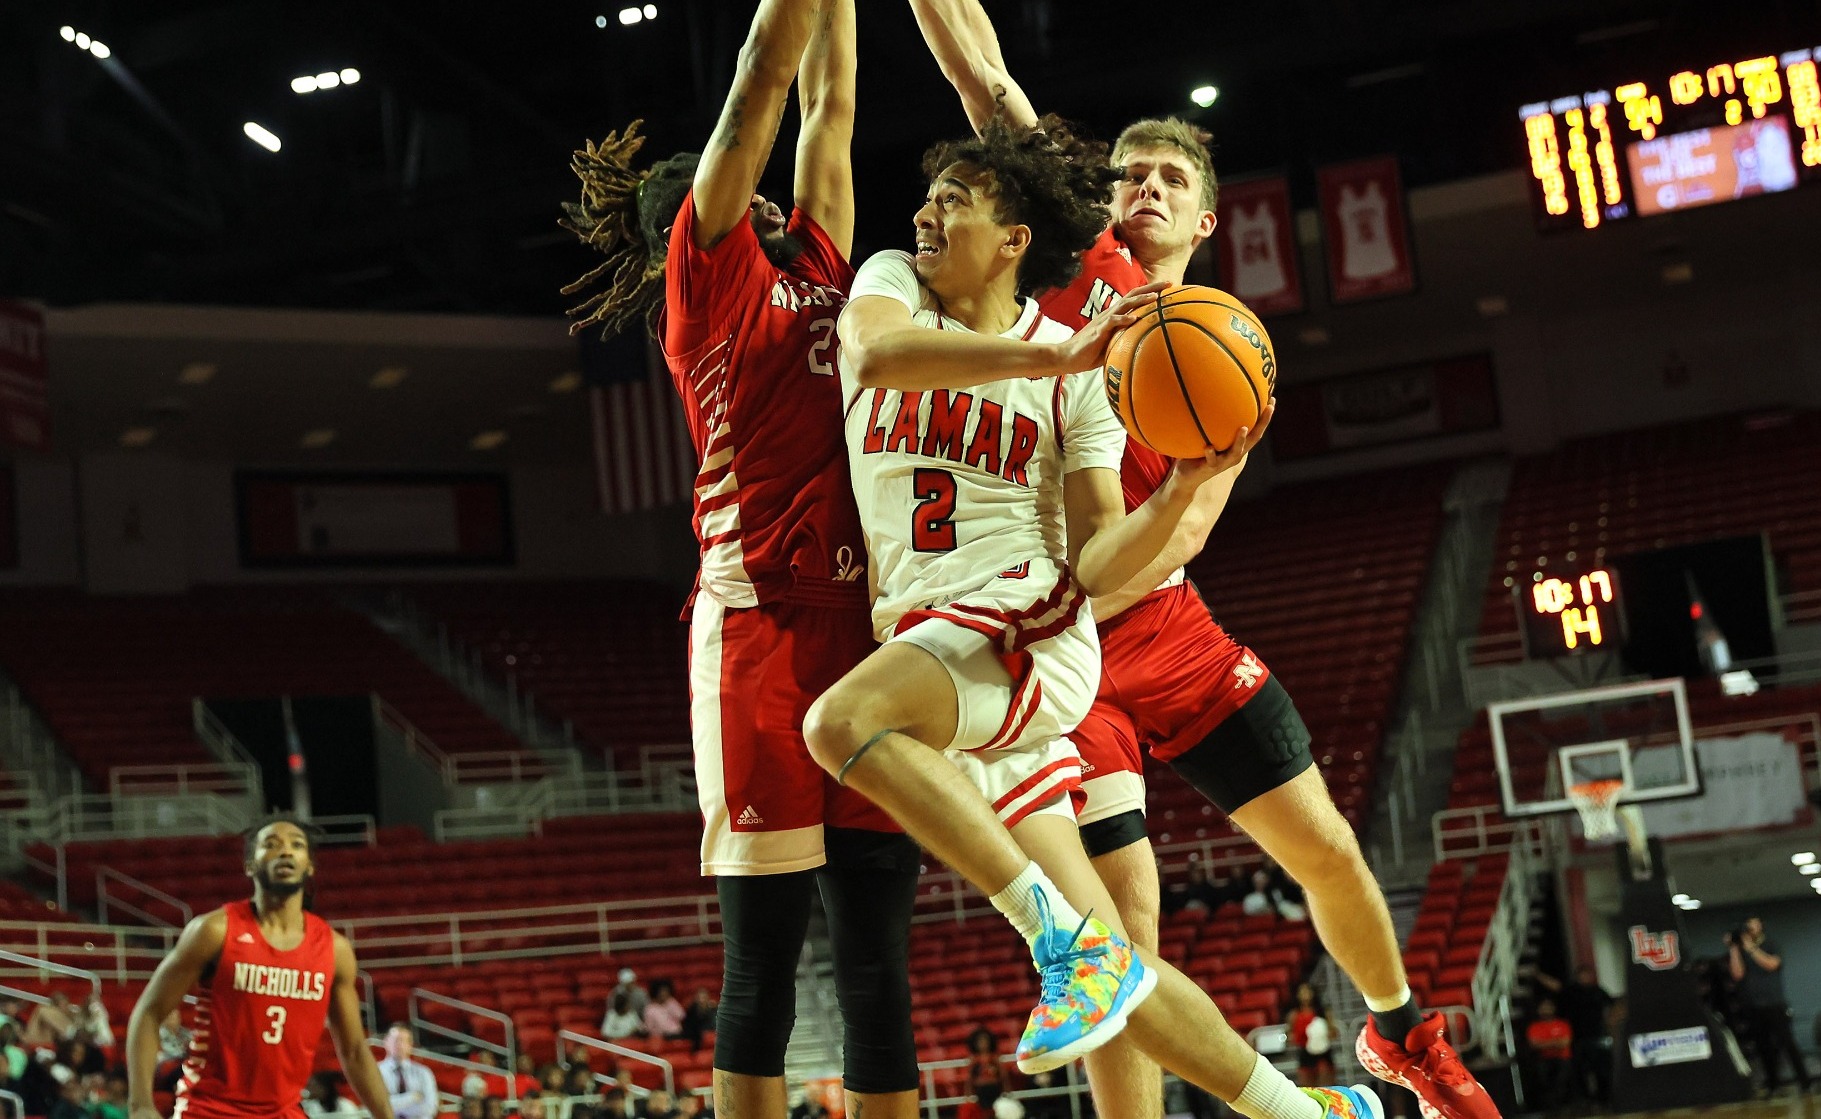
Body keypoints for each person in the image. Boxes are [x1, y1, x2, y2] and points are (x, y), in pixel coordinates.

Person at [905, 6, 1500, 1118]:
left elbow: (1181, 533)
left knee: (1321, 841)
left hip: (1155, 619)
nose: (1143, 189)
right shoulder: (1080, 259)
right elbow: (981, 74)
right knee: (1123, 929)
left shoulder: (1225, 344)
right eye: (1129, 173)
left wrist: (1089, 586)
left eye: (1169, 179)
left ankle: (1401, 1031)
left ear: (1207, 216)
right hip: (1054, 639)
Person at [802, 109, 1372, 1119]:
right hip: (944, 651)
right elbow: (877, 358)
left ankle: (1054, 944)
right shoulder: (895, 285)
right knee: (1120, 949)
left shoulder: (1080, 373)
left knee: (840, 724)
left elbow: (1104, 549)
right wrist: (1050, 368)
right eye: (927, 200)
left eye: (955, 204)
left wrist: (1178, 490)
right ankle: (1307, 1113)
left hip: (1023, 628)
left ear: (1014, 239)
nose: (926, 216)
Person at [559, 3, 920, 1117]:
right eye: (738, 186)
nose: (764, 192)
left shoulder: (813, 261)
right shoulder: (708, 286)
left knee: (880, 967)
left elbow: (830, 103)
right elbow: (766, 72)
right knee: (761, 971)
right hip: (758, 634)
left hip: (863, 636)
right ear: (697, 221)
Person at [125, 818, 397, 1119]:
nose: (285, 852)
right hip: (209, 1110)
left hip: (285, 1111)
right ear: (249, 865)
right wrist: (140, 1105)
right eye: (271, 844)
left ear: (309, 867)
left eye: (297, 845)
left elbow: (355, 1051)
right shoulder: (213, 930)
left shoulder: (335, 950)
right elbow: (149, 1012)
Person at [1727, 917, 1812, 1093]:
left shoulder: (1771, 944)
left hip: (1774, 1003)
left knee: (1787, 1043)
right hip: (1753, 1005)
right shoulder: (1741, 950)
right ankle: (1773, 1084)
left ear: (1760, 926)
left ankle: (1805, 1082)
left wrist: (1751, 948)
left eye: (1753, 924)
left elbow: (1772, 964)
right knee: (1763, 1046)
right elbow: (1737, 974)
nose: (1749, 928)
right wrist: (1734, 948)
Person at [1534, 966, 1612, 1103]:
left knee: (1602, 1070)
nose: (1585, 978)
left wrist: (1612, 1024)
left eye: (1587, 975)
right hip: (1579, 1039)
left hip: (1597, 1037)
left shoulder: (1598, 991)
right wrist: (1538, 975)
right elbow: (1556, 986)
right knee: (1581, 1072)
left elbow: (1613, 1005)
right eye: (1582, 975)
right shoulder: (1572, 991)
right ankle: (1586, 1100)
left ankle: (1604, 1098)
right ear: (1577, 976)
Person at [377, 1024, 438, 1119]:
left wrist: (393, 1104)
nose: (399, 1044)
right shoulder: (376, 1071)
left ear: (410, 1045)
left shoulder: (423, 1072)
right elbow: (379, 1105)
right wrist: (412, 1097)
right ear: (386, 1042)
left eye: (403, 1041)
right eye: (395, 1040)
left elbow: (430, 1107)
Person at [1522, 1000, 1573, 1112]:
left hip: (1562, 1058)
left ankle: (1561, 1106)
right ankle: (1548, 1107)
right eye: (1543, 1007)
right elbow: (1534, 1044)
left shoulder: (1562, 1024)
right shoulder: (1534, 1027)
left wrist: (1545, 1043)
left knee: (1562, 1076)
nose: (1546, 1010)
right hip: (1543, 1059)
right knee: (1541, 1075)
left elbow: (1565, 1043)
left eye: (1548, 1007)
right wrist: (1555, 1042)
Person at [1287, 985, 1336, 1088]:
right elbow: (1290, 1034)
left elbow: (1333, 1032)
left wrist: (1322, 1033)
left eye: (1307, 991)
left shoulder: (1323, 1012)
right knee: (1307, 1087)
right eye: (1302, 992)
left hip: (1323, 1052)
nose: (1305, 995)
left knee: (1326, 1086)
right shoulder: (1294, 1015)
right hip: (1305, 1052)